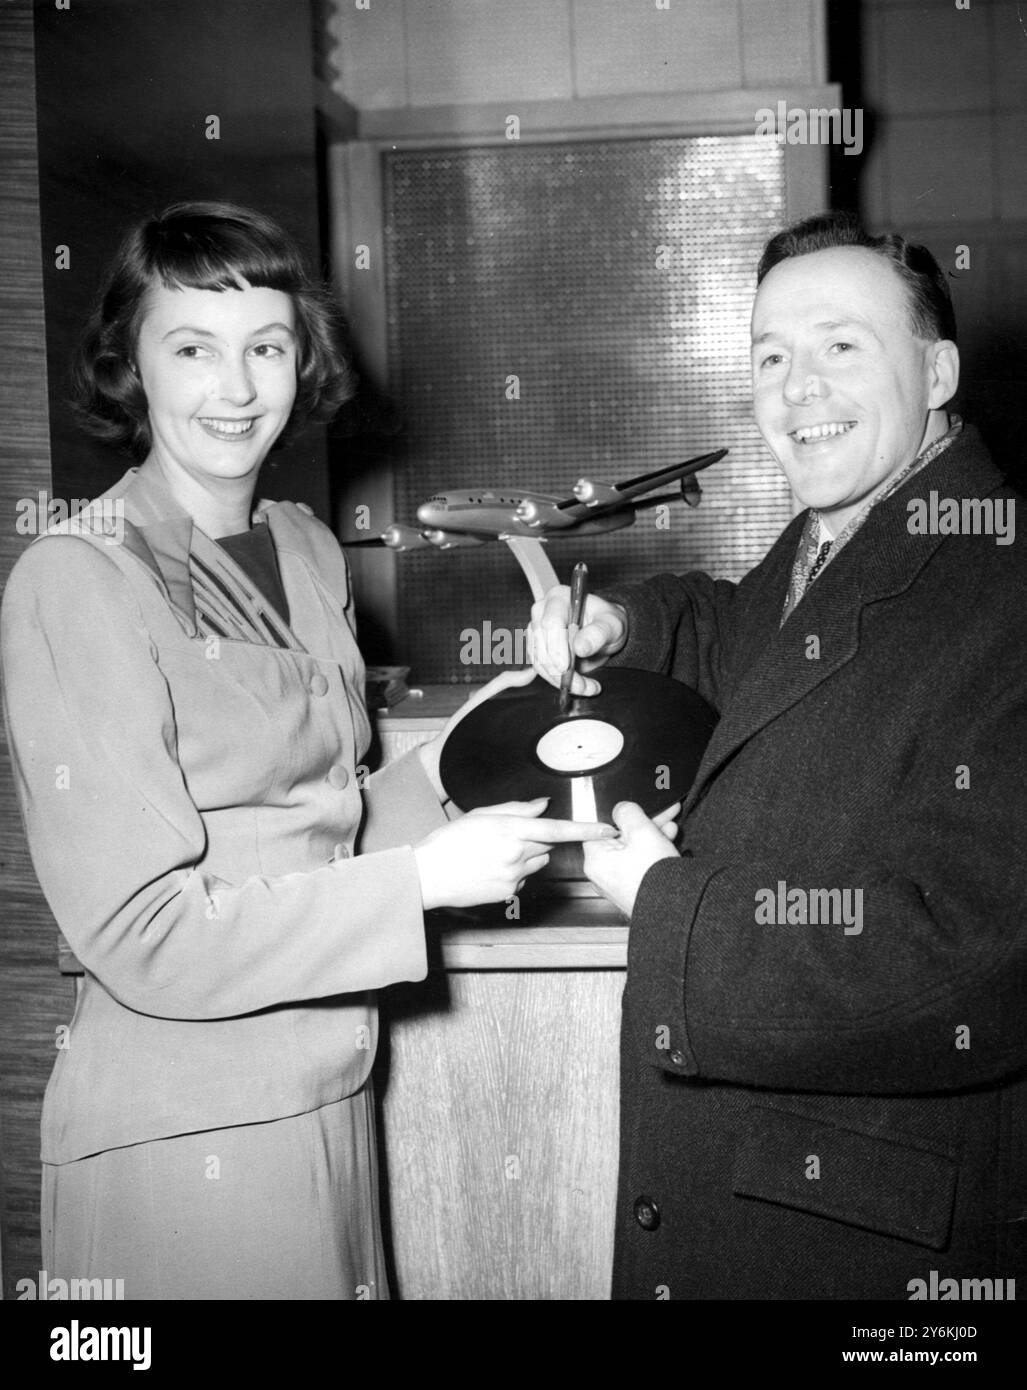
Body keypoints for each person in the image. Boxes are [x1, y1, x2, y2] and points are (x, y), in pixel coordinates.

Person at [0, 201, 613, 1301]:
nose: (235, 388)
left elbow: (324, 821)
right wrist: (419, 886)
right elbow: (141, 930)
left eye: (266, 347)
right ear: (129, 366)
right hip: (183, 1128)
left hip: (327, 1088)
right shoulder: (78, 575)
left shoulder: (300, 543)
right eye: (191, 348)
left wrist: (476, 743)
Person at [530, 211, 1027, 1300]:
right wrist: (625, 623)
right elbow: (744, 633)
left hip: (863, 1250)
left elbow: (980, 957)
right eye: (769, 355)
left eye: (841, 345)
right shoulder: (846, 536)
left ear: (937, 370)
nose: (797, 388)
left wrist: (668, 906)